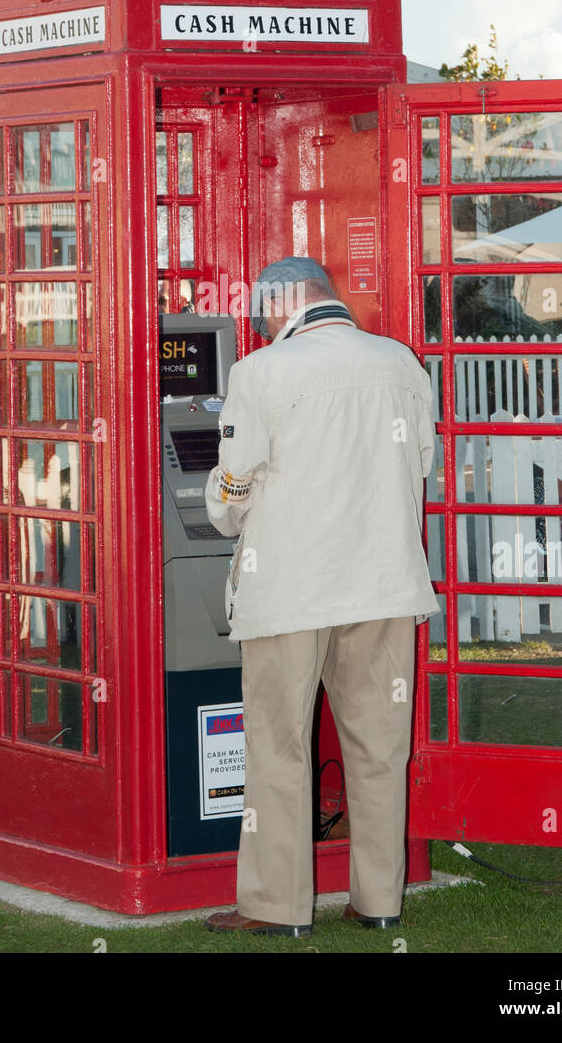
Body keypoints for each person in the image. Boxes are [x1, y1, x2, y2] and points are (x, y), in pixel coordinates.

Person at [203, 257, 439, 938]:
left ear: (280, 305)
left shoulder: (259, 372)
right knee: (379, 746)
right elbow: (421, 461)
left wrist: (219, 507)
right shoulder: (400, 362)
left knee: (278, 746)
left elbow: (233, 484)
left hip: (290, 590)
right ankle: (378, 898)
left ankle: (277, 907)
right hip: (385, 584)